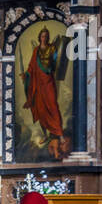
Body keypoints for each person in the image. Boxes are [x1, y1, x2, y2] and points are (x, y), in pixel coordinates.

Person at [23, 27, 67, 157]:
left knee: (53, 106)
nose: (44, 38)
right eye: (42, 36)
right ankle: (46, 134)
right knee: (41, 109)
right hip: (38, 83)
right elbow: (31, 66)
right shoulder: (36, 50)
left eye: (46, 36)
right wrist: (26, 75)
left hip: (48, 81)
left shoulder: (52, 48)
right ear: (39, 37)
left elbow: (55, 63)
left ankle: (60, 134)